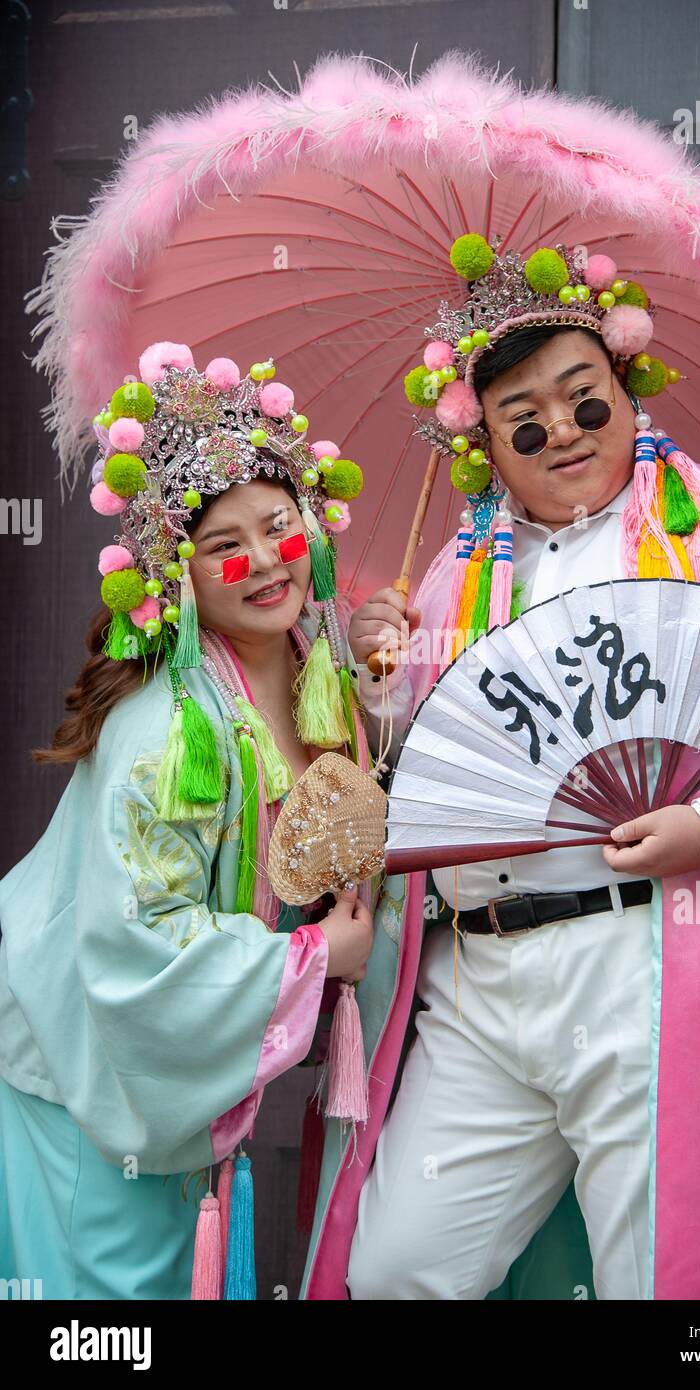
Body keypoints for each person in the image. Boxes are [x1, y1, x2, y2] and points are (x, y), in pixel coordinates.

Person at [302, 237, 700, 1301]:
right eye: (522, 415)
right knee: (395, 1273)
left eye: (583, 398)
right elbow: (421, 776)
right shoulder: (456, 570)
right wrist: (384, 680)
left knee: (664, 1280)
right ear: (483, 446)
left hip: (646, 956)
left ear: (628, 392)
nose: (558, 429)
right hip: (474, 981)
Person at [0, 341, 374, 1300]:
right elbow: (139, 940)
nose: (262, 562)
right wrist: (310, 960)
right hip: (82, 1068)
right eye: (224, 546)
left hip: (163, 1078)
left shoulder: (310, 673)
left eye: (280, 528)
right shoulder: (169, 730)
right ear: (177, 573)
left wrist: (389, 680)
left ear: (314, 533)